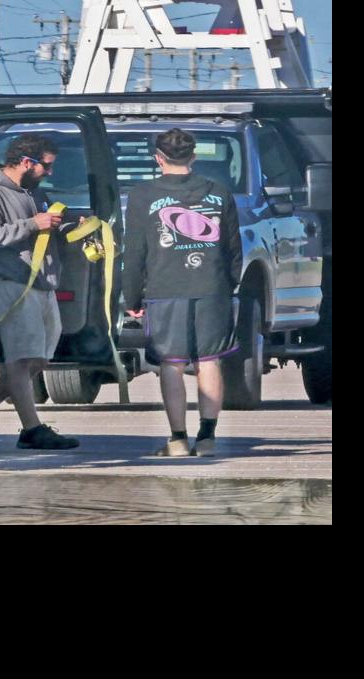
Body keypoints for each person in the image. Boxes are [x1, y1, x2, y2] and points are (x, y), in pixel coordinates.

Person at [0, 134, 80, 450]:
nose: (49, 173)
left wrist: (73, 227)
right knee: (21, 361)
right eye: (46, 166)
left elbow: (41, 228)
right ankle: (31, 429)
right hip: (10, 285)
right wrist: (33, 224)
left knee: (37, 361)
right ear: (27, 162)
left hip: (41, 284)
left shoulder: (34, 193)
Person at [121, 128, 243, 457]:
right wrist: (228, 286)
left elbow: (134, 253)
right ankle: (208, 437)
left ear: (158, 158)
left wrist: (131, 297)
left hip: (164, 288)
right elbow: (234, 249)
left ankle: (177, 439)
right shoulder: (219, 192)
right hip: (212, 288)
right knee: (209, 360)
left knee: (171, 365)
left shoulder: (142, 195)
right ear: (194, 156)